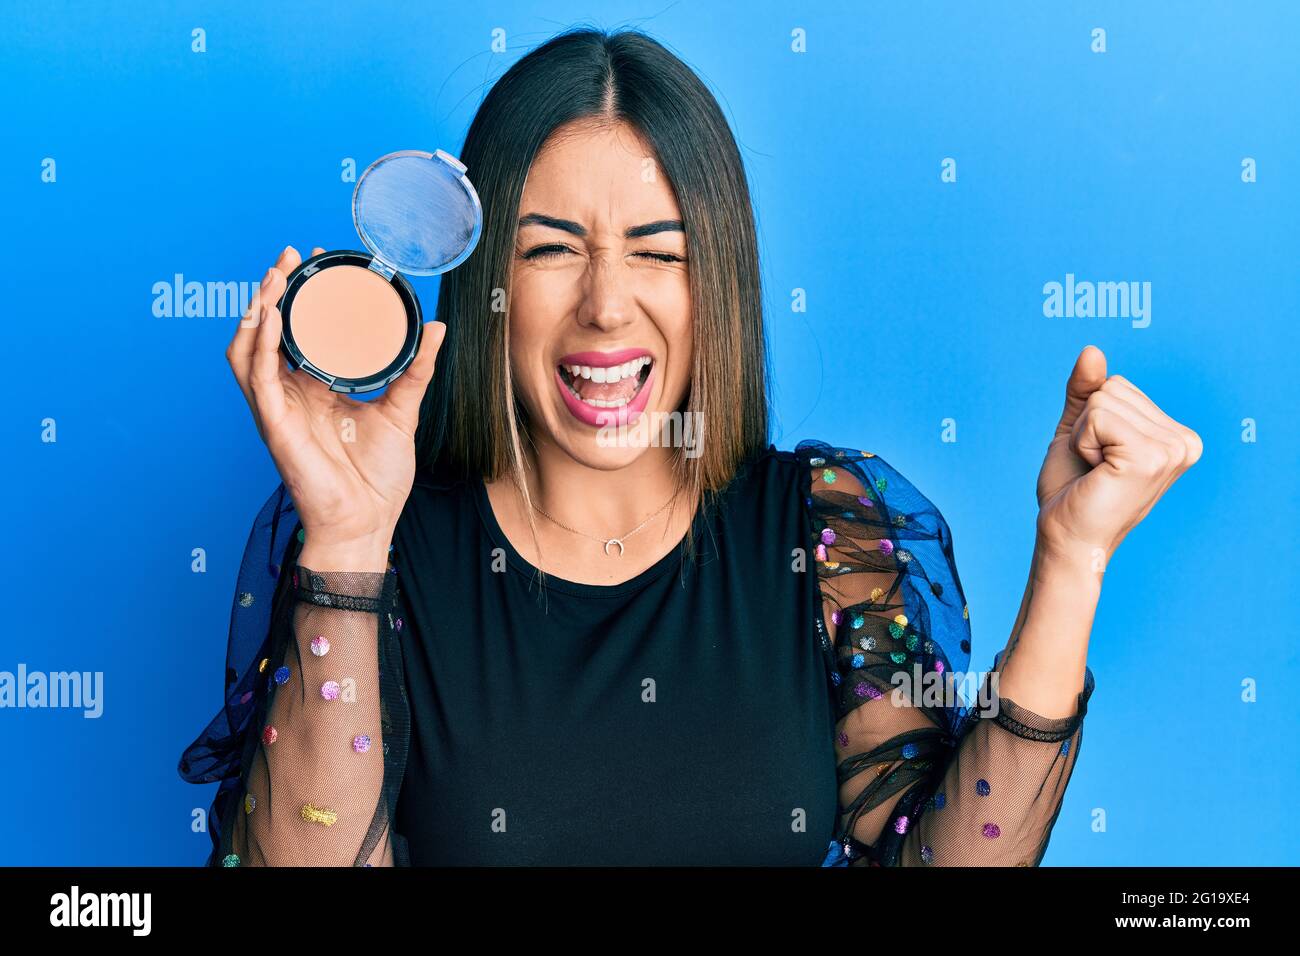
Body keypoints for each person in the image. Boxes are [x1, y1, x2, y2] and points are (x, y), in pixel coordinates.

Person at [178, 28, 1200, 867]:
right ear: (487, 283)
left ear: (719, 280)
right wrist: (346, 541)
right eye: (550, 249)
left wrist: (1071, 560)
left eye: (658, 252)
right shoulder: (379, 564)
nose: (607, 304)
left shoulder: (829, 532)